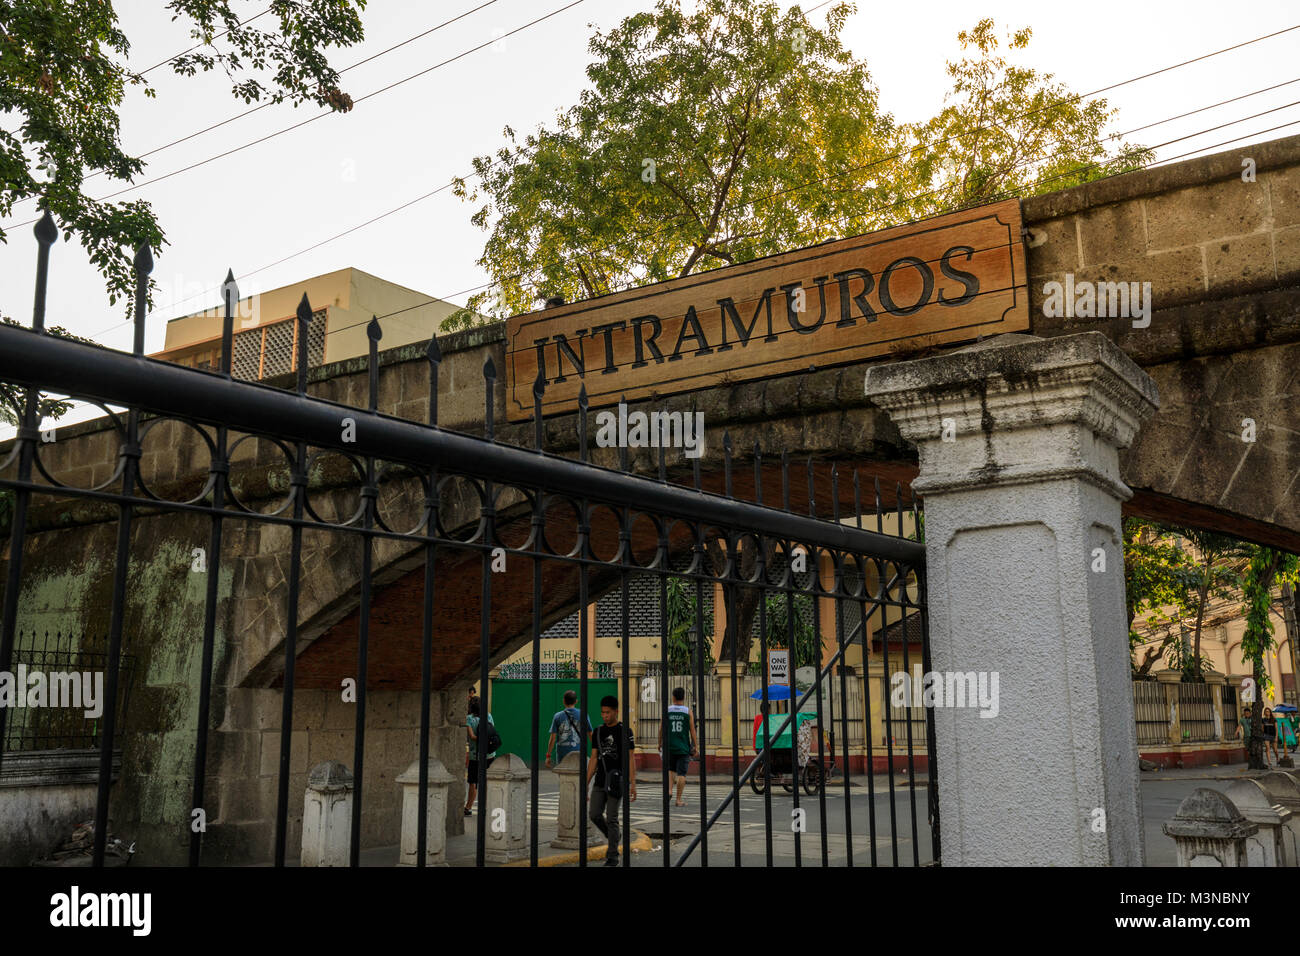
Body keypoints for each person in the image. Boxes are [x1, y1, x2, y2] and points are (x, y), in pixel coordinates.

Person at [586, 695, 636, 866]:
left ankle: (612, 856)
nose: (605, 716)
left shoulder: (625, 731)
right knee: (594, 814)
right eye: (602, 713)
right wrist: (586, 782)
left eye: (608, 713)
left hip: (617, 780)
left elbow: (631, 758)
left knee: (612, 817)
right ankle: (614, 836)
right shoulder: (598, 732)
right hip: (600, 780)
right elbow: (594, 758)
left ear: (616, 712)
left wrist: (632, 783)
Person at [657, 687, 697, 806]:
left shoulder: (667, 710)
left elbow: (661, 729)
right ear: (683, 697)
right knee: (681, 774)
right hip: (683, 747)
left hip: (669, 746)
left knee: (670, 770)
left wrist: (659, 743)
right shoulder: (687, 711)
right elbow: (692, 730)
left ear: (673, 697)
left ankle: (669, 791)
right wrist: (696, 745)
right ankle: (678, 799)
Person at [465, 697, 497, 816]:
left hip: (475, 756)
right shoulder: (488, 716)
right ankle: (489, 806)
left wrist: (479, 739)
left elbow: (472, 736)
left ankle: (468, 807)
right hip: (489, 754)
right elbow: (492, 731)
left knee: (473, 782)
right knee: (488, 781)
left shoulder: (469, 719)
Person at [546, 690, 592, 769]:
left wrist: (548, 755)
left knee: (563, 776)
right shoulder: (583, 714)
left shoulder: (557, 716)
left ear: (563, 701)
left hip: (562, 753)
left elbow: (552, 738)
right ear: (576, 701)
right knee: (579, 776)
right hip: (579, 753)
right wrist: (596, 752)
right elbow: (590, 734)